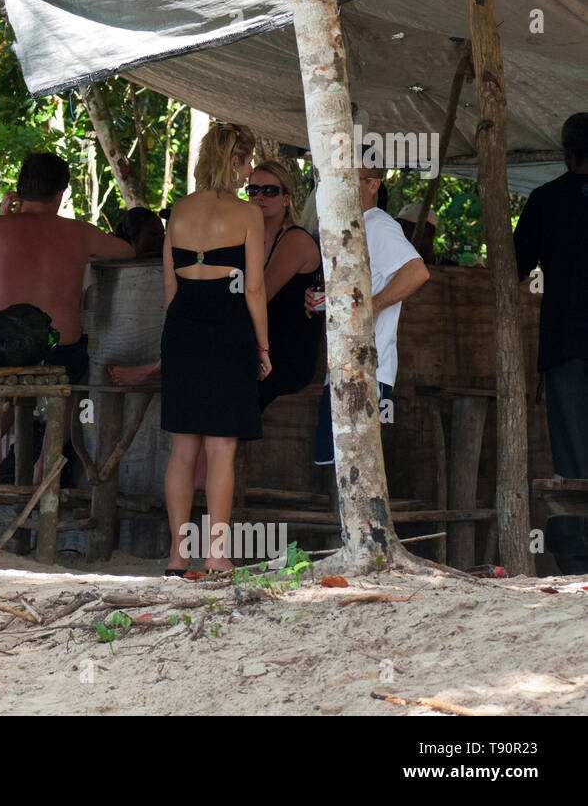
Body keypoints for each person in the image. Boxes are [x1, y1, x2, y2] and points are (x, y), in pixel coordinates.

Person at [113, 122, 269, 576]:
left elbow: (169, 286)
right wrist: (263, 346)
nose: (248, 172)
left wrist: (177, 337)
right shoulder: (247, 215)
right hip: (229, 327)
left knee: (183, 449)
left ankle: (177, 556)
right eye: (246, 162)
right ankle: (217, 555)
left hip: (182, 327)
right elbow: (254, 289)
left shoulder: (177, 211)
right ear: (234, 161)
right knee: (221, 448)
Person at [0, 151, 134, 479]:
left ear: (19, 190)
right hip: (59, 353)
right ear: (60, 194)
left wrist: (1, 223)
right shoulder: (80, 232)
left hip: (1, 355)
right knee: (60, 407)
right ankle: (38, 482)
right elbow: (128, 251)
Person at [305, 155, 430, 466]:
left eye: (350, 179)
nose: (340, 186)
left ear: (373, 185)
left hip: (365, 370)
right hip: (345, 366)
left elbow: (417, 273)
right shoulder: (351, 226)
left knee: (355, 469)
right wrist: (322, 301)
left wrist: (366, 308)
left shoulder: (377, 224)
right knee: (341, 469)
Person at [514, 112, 588, 573]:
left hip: (566, 341)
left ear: (566, 153)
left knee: (573, 451)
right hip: (565, 342)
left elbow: (514, 266)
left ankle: (576, 555)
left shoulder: (545, 200)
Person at [248, 160, 322, 409]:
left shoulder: (295, 240)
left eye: (269, 191)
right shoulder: (249, 239)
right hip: (260, 347)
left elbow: (259, 294)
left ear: (286, 199)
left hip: (287, 356)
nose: (259, 196)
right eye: (253, 190)